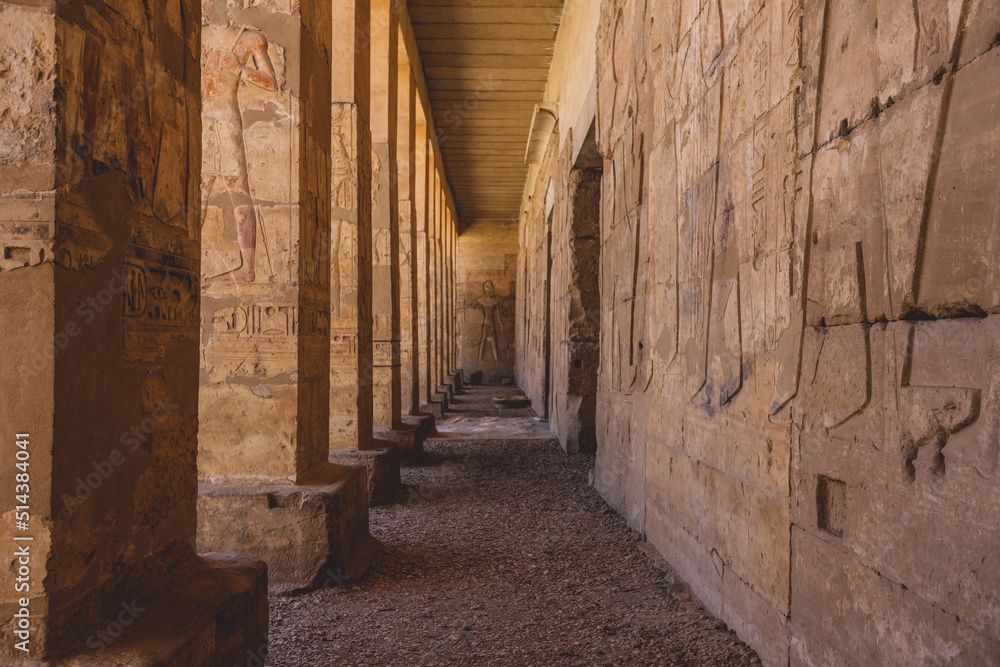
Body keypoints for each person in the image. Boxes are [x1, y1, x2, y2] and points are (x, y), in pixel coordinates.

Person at [200, 23, 277, 283]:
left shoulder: (251, 39)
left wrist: (239, 69)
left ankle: (248, 269)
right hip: (202, 113)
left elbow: (271, 82)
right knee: (200, 185)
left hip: (226, 115)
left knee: (237, 187)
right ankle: (189, 256)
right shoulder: (200, 32)